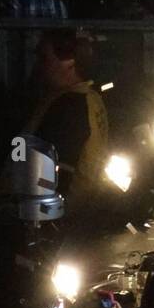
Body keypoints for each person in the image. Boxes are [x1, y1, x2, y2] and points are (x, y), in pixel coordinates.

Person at [22, 29, 109, 209]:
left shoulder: (69, 106)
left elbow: (57, 170)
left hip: (60, 213)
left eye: (45, 58)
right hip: (80, 205)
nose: (39, 65)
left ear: (70, 63)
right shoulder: (89, 96)